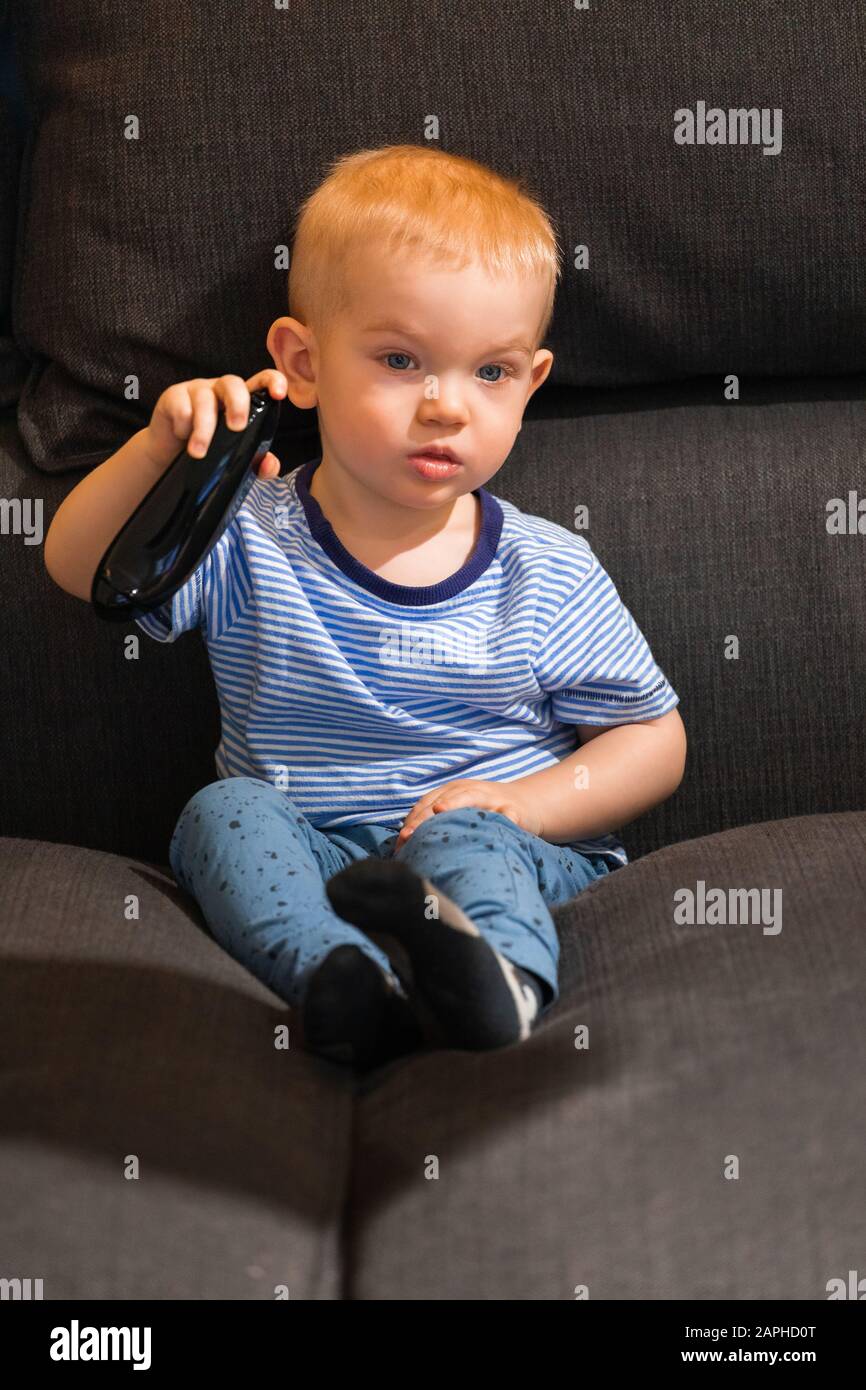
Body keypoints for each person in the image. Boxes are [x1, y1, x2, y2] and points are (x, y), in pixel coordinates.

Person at [44, 144, 686, 1073]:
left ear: (533, 382)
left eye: (491, 374)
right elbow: (78, 569)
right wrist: (158, 454)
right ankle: (340, 979)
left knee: (469, 842)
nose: (447, 408)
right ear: (301, 364)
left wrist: (525, 804)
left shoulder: (545, 570)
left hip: (493, 840)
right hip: (308, 849)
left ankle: (492, 981)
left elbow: (653, 739)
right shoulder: (249, 535)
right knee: (220, 814)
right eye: (400, 360)